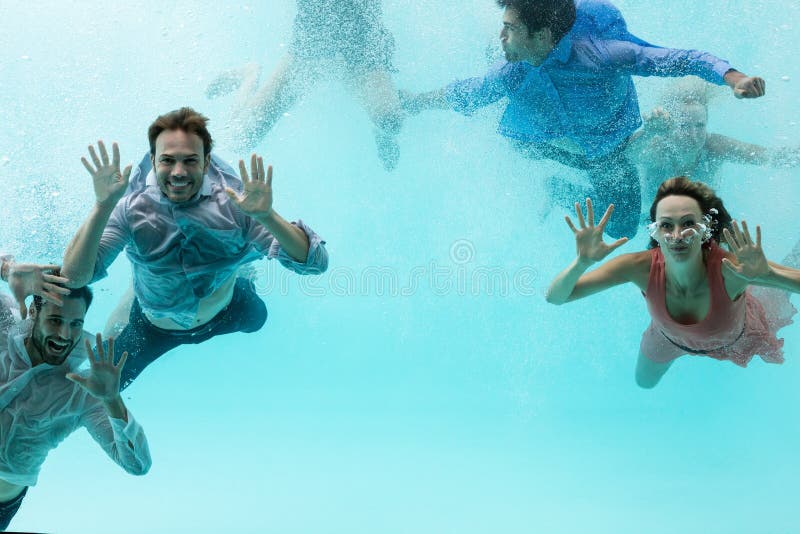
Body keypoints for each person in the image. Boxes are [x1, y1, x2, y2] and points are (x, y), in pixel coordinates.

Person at [401, 0, 765, 238]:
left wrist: (734, 79)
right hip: (543, 140)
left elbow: (678, 59)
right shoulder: (510, 73)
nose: (502, 34)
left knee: (622, 228)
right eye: (504, 26)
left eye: (509, 29)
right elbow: (468, 92)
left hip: (607, 149)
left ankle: (557, 189)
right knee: (512, 115)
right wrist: (413, 103)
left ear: (543, 36)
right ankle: (555, 162)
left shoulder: (604, 54)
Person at [61, 107, 329, 390]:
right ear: (152, 160)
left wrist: (267, 217)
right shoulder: (131, 207)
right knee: (106, 385)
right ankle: (144, 285)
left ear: (206, 162)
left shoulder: (235, 205)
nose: (178, 172)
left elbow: (316, 264)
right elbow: (74, 279)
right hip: (153, 328)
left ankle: (239, 272)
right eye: (167, 160)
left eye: (190, 161)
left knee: (258, 318)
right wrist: (102, 205)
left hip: (226, 310)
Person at [546, 177, 799, 388]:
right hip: (668, 339)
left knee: (784, 278)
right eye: (666, 225)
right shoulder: (638, 268)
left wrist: (768, 275)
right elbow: (555, 297)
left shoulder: (732, 269)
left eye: (688, 223)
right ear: (655, 229)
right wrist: (581, 263)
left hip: (740, 336)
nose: (676, 236)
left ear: (707, 226)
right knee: (644, 383)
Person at [0, 262, 150, 531]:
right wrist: (5, 268)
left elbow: (137, 465)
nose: (64, 334)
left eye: (75, 324)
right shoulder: (5, 320)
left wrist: (112, 400)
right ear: (33, 311)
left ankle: (135, 288)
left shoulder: (81, 391)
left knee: (118, 338)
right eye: (55, 320)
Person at [207, 0, 404, 171]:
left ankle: (381, 131)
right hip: (308, 54)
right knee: (241, 136)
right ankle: (249, 74)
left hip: (361, 53)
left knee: (390, 121)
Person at [626, 77, 800, 202]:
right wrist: (648, 132)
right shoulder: (659, 147)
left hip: (702, 217)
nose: (694, 135)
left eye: (700, 126)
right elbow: (628, 156)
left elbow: (769, 157)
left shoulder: (714, 146)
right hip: (651, 219)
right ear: (670, 127)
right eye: (685, 126)